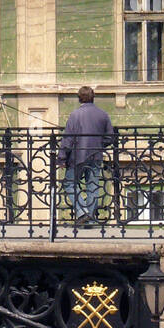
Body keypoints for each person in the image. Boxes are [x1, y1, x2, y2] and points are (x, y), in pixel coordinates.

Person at [58, 85, 114, 228]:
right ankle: (89, 217)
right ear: (93, 97)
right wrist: (99, 145)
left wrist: (62, 157)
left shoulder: (75, 115)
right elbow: (110, 138)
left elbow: (68, 139)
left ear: (79, 98)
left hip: (78, 156)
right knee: (93, 186)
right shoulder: (103, 114)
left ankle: (82, 213)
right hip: (96, 155)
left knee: (69, 184)